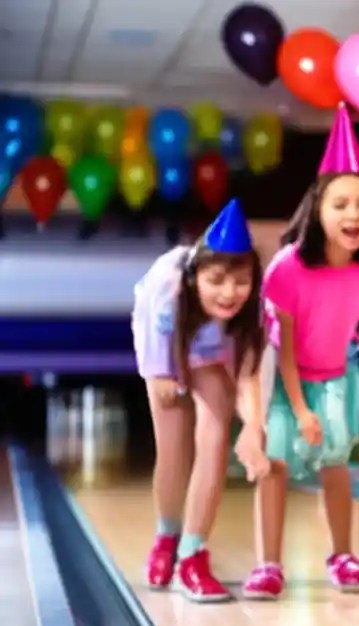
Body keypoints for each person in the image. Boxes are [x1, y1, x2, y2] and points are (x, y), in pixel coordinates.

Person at [243, 105, 359, 600]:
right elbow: (279, 348)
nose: (354, 215)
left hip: (337, 376)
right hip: (287, 379)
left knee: (335, 464)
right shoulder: (288, 267)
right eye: (341, 204)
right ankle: (268, 564)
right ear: (318, 210)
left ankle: (343, 554)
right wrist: (300, 408)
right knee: (278, 465)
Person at [135, 199, 268, 603]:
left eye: (241, 281)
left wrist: (254, 427)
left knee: (213, 445)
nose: (230, 294)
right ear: (196, 277)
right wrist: (159, 374)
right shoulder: (168, 286)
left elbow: (247, 375)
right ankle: (166, 537)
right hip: (166, 352)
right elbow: (150, 335)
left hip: (211, 356)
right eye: (217, 280)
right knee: (173, 452)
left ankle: (192, 555)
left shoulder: (255, 308)